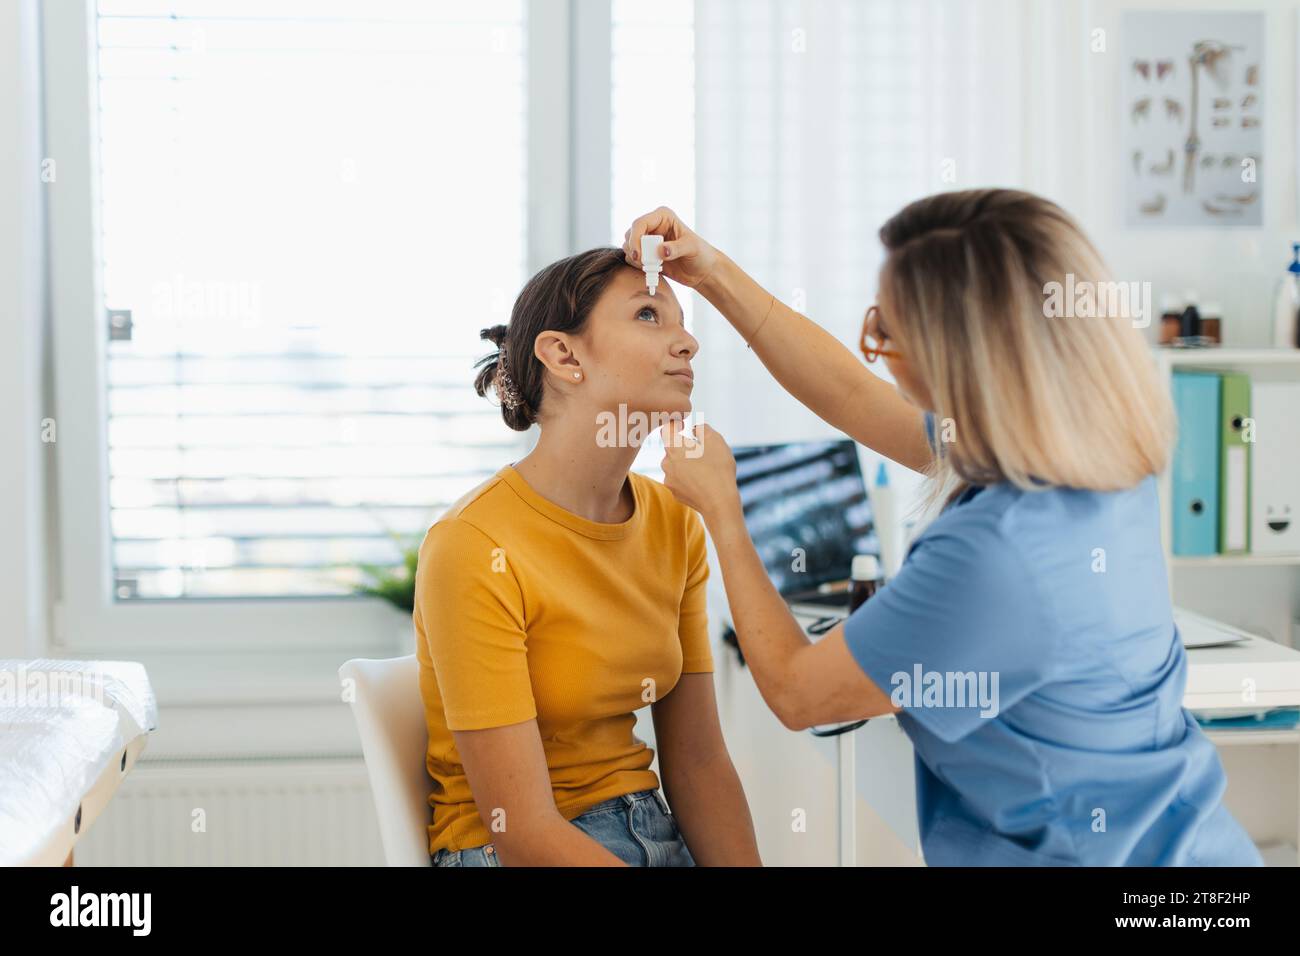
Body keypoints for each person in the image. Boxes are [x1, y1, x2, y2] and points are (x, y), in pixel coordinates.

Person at [622, 189, 1263, 866]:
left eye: (890, 331)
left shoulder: (995, 556)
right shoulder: (1094, 455)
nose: (875, 350)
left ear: (960, 357)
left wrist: (724, 510)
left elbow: (796, 690)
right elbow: (850, 395)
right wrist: (714, 272)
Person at [414, 247, 762, 866]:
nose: (687, 343)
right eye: (650, 316)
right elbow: (520, 831)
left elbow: (700, 764)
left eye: (683, 322)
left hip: (651, 829)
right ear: (564, 355)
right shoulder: (474, 544)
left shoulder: (675, 521)